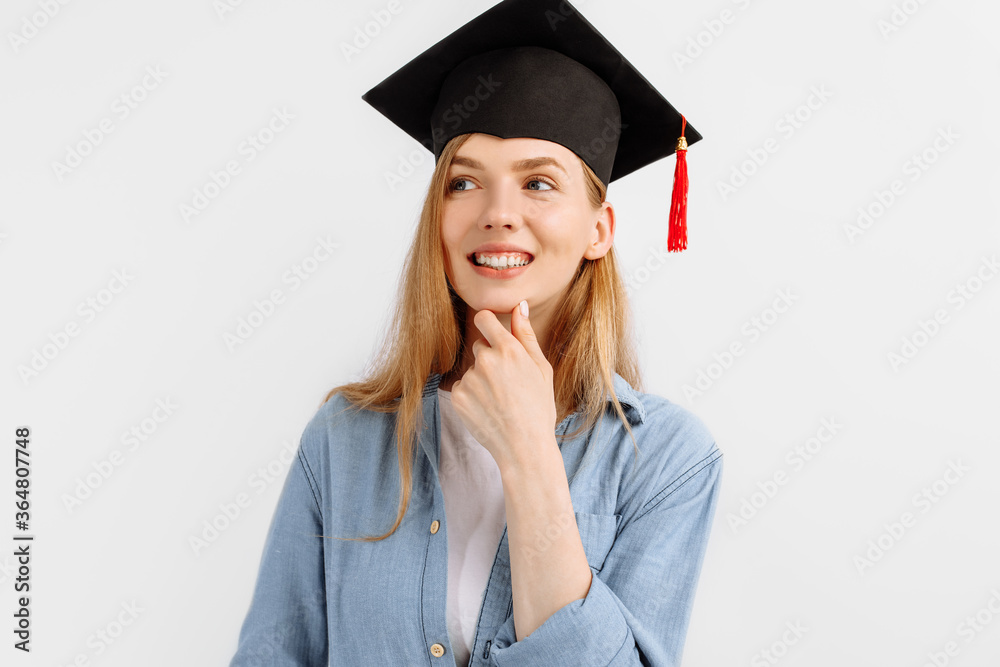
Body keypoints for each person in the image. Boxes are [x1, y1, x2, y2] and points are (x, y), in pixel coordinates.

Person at [229, 0, 722, 664]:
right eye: (464, 183)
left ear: (598, 230)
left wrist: (528, 453)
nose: (498, 213)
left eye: (538, 183)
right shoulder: (344, 440)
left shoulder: (666, 459)